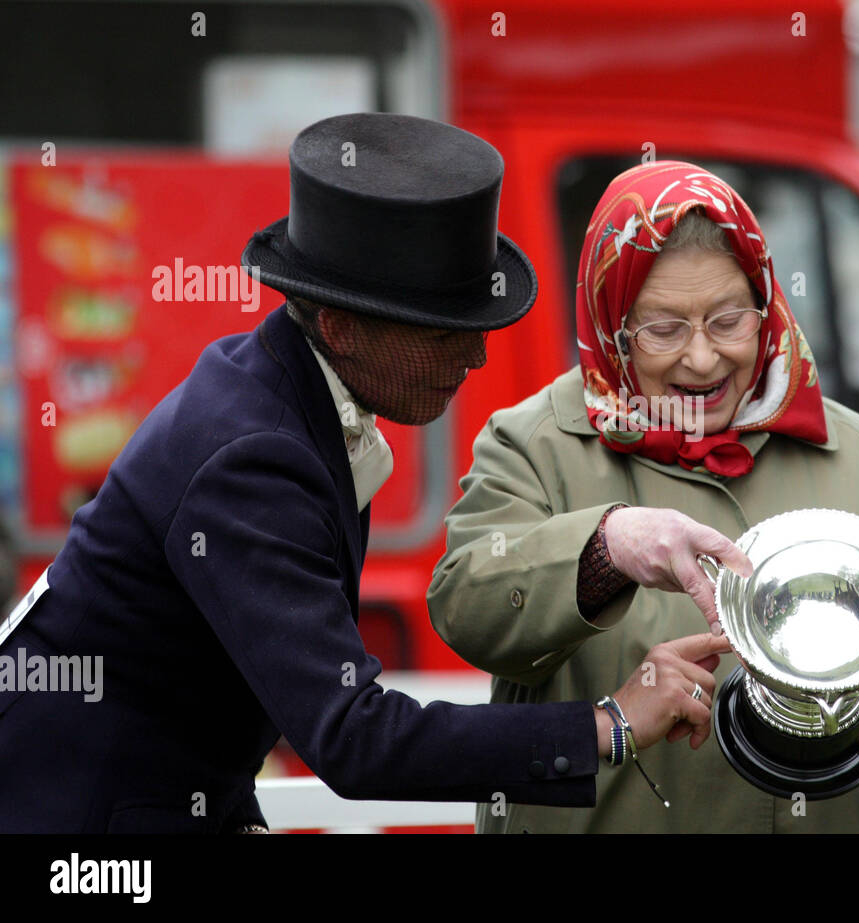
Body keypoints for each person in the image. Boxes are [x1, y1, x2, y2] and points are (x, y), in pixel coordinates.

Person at [0, 117, 726, 833]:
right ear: (342, 326)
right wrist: (611, 723)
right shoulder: (253, 456)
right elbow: (354, 737)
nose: (474, 358)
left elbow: (203, 686)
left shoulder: (278, 386)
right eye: (444, 332)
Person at [427, 161, 859, 833]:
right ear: (611, 325)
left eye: (728, 320)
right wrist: (606, 546)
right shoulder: (535, 447)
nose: (704, 358)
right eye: (663, 328)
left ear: (765, 306)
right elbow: (465, 606)